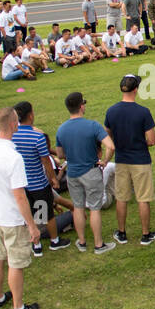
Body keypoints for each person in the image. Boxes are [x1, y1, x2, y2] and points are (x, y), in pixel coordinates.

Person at [0, 107, 42, 309]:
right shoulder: (13, 157)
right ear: (14, 125)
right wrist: (32, 225)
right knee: (15, 263)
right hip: (12, 218)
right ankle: (18, 307)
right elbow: (20, 196)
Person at [56, 91, 118, 254]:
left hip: (73, 173)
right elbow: (110, 146)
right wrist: (104, 161)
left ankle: (82, 241)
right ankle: (99, 244)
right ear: (81, 106)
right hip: (90, 171)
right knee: (95, 208)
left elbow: (60, 154)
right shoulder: (93, 125)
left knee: (78, 207)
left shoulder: (61, 129)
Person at [105, 75, 155, 247]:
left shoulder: (111, 111)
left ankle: (121, 233)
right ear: (136, 89)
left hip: (121, 159)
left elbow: (107, 136)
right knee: (143, 198)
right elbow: (152, 140)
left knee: (121, 197)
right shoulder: (143, 112)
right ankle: (145, 234)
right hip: (140, 159)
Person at [12, 101, 66, 255]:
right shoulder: (37, 137)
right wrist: (53, 178)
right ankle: (54, 241)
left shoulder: (12, 136)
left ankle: (36, 245)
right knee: (46, 214)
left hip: (22, 184)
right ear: (30, 115)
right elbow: (45, 161)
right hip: (38, 183)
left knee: (29, 213)